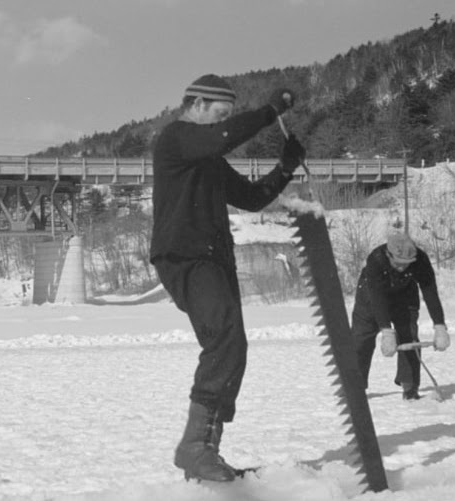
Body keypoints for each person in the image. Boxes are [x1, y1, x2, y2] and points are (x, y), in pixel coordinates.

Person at [150, 74, 305, 482]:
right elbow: (220, 138)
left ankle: (206, 452)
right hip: (184, 256)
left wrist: (285, 168)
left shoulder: (209, 160)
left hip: (215, 260)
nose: (223, 123)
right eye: (220, 114)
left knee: (233, 347)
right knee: (224, 337)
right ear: (196, 104)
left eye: (227, 116)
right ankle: (194, 448)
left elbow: (252, 199)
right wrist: (270, 113)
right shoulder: (176, 138)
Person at [351, 232, 450, 400]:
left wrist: (440, 326)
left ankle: (410, 387)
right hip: (371, 297)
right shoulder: (376, 259)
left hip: (405, 295)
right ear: (389, 255)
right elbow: (377, 297)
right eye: (399, 263)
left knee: (409, 336)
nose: (402, 267)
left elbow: (430, 292)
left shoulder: (421, 260)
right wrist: (386, 331)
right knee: (360, 339)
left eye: (407, 264)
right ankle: (355, 388)